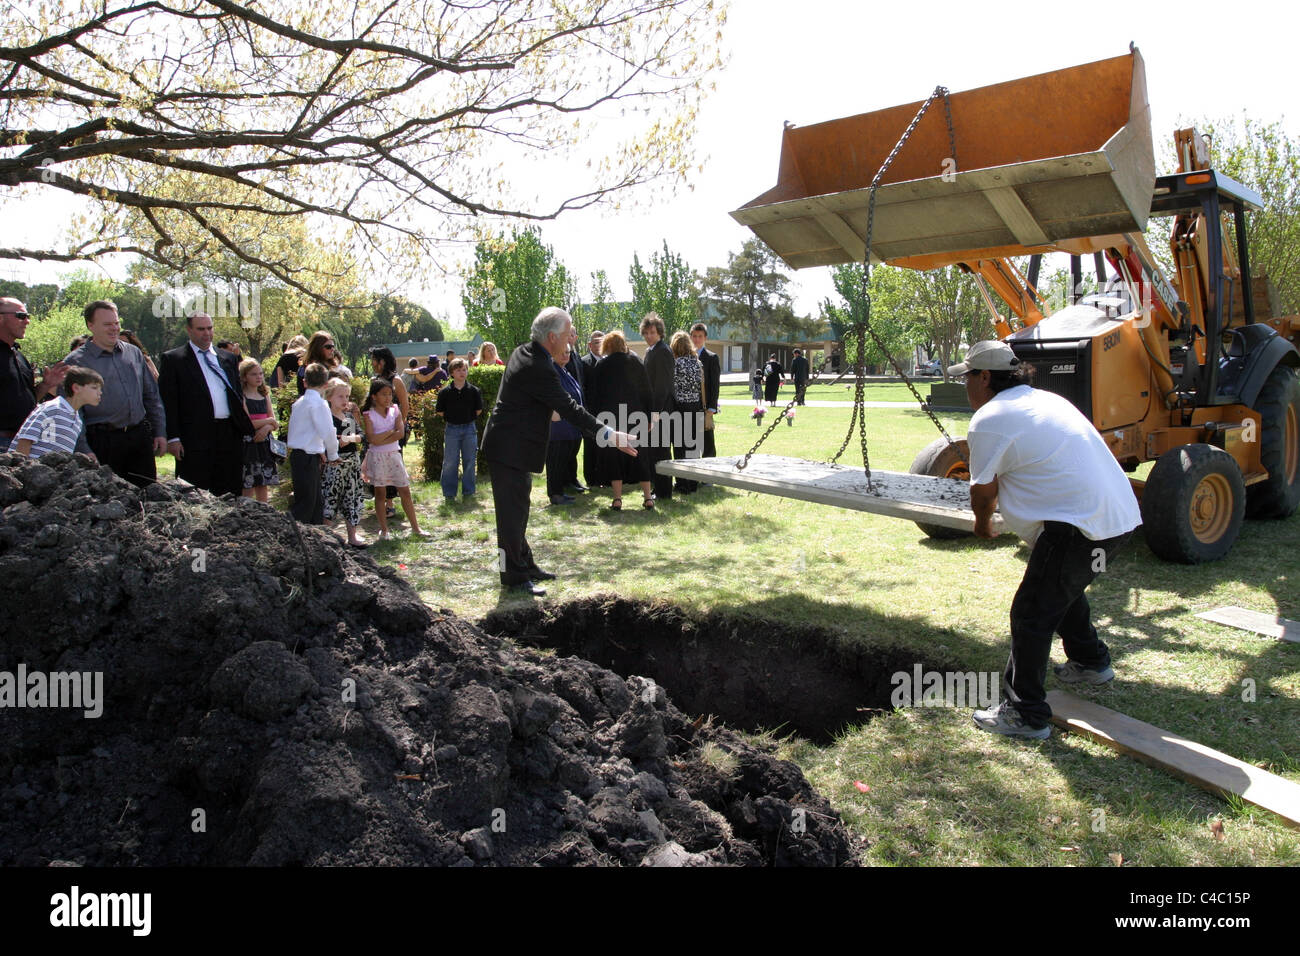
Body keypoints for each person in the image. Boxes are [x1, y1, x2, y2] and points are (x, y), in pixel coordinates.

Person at [955, 340, 1142, 740]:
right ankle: (1091, 662)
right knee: (1062, 587)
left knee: (1031, 613)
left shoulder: (990, 418)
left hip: (1076, 525)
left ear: (984, 377)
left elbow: (983, 492)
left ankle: (1026, 714)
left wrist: (982, 524)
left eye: (967, 377)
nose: (965, 386)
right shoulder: (1044, 399)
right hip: (1118, 519)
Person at [481, 308, 637, 596]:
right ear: (551, 337)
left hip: (513, 446)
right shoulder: (538, 367)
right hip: (508, 448)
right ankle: (512, 577)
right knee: (510, 516)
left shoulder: (525, 352)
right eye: (567, 335)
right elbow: (569, 408)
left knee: (518, 511)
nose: (570, 342)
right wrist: (609, 434)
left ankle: (524, 565)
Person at [65, 300, 168, 486]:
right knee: (112, 503)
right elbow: (72, 413)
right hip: (102, 443)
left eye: (116, 323)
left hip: (139, 439)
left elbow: (151, 396)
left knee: (149, 498)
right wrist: (83, 449)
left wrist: (160, 431)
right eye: (107, 324)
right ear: (90, 325)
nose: (114, 329)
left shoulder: (134, 353)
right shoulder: (76, 363)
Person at [158, 311, 255, 497]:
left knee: (230, 489)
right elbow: (169, 401)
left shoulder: (228, 358)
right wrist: (173, 438)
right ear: (189, 330)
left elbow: (236, 396)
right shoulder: (174, 359)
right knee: (195, 490)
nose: (207, 333)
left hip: (228, 433)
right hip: (194, 436)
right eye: (201, 329)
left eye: (209, 328)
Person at [586, 330, 654, 512]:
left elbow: (595, 395)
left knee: (613, 457)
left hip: (611, 418)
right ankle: (648, 498)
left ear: (606, 345)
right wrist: (648, 416)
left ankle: (617, 499)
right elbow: (647, 391)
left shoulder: (601, 365)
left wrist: (596, 420)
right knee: (640, 455)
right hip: (635, 416)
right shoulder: (636, 362)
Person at [361, 377, 428, 541]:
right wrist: (390, 433)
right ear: (374, 396)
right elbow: (372, 439)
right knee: (380, 493)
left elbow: (400, 433)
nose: (388, 398)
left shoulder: (395, 410)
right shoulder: (368, 414)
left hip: (394, 455)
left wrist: (384, 436)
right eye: (384, 394)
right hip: (377, 457)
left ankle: (416, 528)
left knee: (405, 490)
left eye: (390, 394)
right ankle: (384, 530)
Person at [0, 296, 69, 453]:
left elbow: (27, 402)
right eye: (20, 316)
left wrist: (46, 385)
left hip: (21, 443)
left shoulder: (19, 356)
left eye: (28, 316)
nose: (27, 321)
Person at [286, 363, 339, 524]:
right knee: (307, 502)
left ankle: (314, 533)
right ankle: (295, 534)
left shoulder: (299, 403)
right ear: (326, 384)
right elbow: (327, 431)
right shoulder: (319, 404)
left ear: (304, 382)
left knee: (315, 500)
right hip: (307, 457)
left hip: (300, 455)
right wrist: (333, 453)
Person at [12, 367, 102, 459]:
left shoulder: (77, 421)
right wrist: (22, 468)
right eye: (94, 388)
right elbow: (25, 440)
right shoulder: (52, 408)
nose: (100, 393)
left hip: (48, 472)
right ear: (76, 388)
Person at [321, 378, 367, 548]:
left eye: (347, 396)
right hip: (334, 463)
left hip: (352, 462)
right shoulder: (327, 417)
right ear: (329, 397)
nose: (345, 400)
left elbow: (362, 435)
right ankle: (325, 535)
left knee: (352, 498)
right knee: (330, 497)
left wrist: (351, 438)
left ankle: (352, 535)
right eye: (340, 396)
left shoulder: (348, 417)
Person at [435, 358, 483, 502]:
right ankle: (449, 493)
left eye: (464, 369)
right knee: (450, 461)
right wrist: (453, 418)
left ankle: (468, 491)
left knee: (469, 460)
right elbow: (440, 411)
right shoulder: (445, 392)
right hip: (452, 430)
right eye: (458, 370)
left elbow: (478, 410)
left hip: (469, 429)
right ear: (451, 373)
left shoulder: (474, 391)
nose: (462, 373)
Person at [641, 312, 675, 502]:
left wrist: (655, 414)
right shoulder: (651, 350)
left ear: (660, 332)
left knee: (661, 450)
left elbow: (662, 387)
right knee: (655, 450)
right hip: (655, 409)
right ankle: (658, 487)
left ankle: (664, 491)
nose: (648, 336)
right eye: (646, 333)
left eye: (652, 332)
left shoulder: (662, 351)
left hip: (662, 410)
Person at [545, 347, 584, 505]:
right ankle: (555, 494)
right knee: (556, 460)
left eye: (568, 353)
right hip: (558, 426)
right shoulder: (552, 371)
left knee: (565, 459)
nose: (565, 355)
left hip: (571, 425)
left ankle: (562, 489)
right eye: (562, 352)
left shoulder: (565, 371)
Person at [238, 358, 280, 503]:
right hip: (249, 443)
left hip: (265, 443)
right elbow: (247, 422)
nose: (259, 377)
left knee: (263, 483)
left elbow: (274, 420)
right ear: (244, 377)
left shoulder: (264, 394)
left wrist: (267, 427)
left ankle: (264, 511)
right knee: (248, 482)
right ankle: (245, 512)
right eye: (254, 374)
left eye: (261, 374)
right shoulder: (242, 396)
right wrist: (268, 422)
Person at [669, 330, 704, 495]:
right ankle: (693, 482)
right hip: (695, 406)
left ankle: (682, 483)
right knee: (692, 446)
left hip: (680, 407)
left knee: (680, 446)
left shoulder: (675, 364)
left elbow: (672, 386)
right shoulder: (697, 363)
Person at [689, 323, 720, 462]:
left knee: (707, 442)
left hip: (706, 407)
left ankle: (708, 476)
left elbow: (715, 385)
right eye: (694, 336)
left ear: (705, 338)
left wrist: (711, 409)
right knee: (692, 441)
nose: (696, 339)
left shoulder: (712, 357)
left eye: (700, 336)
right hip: (690, 406)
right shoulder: (686, 357)